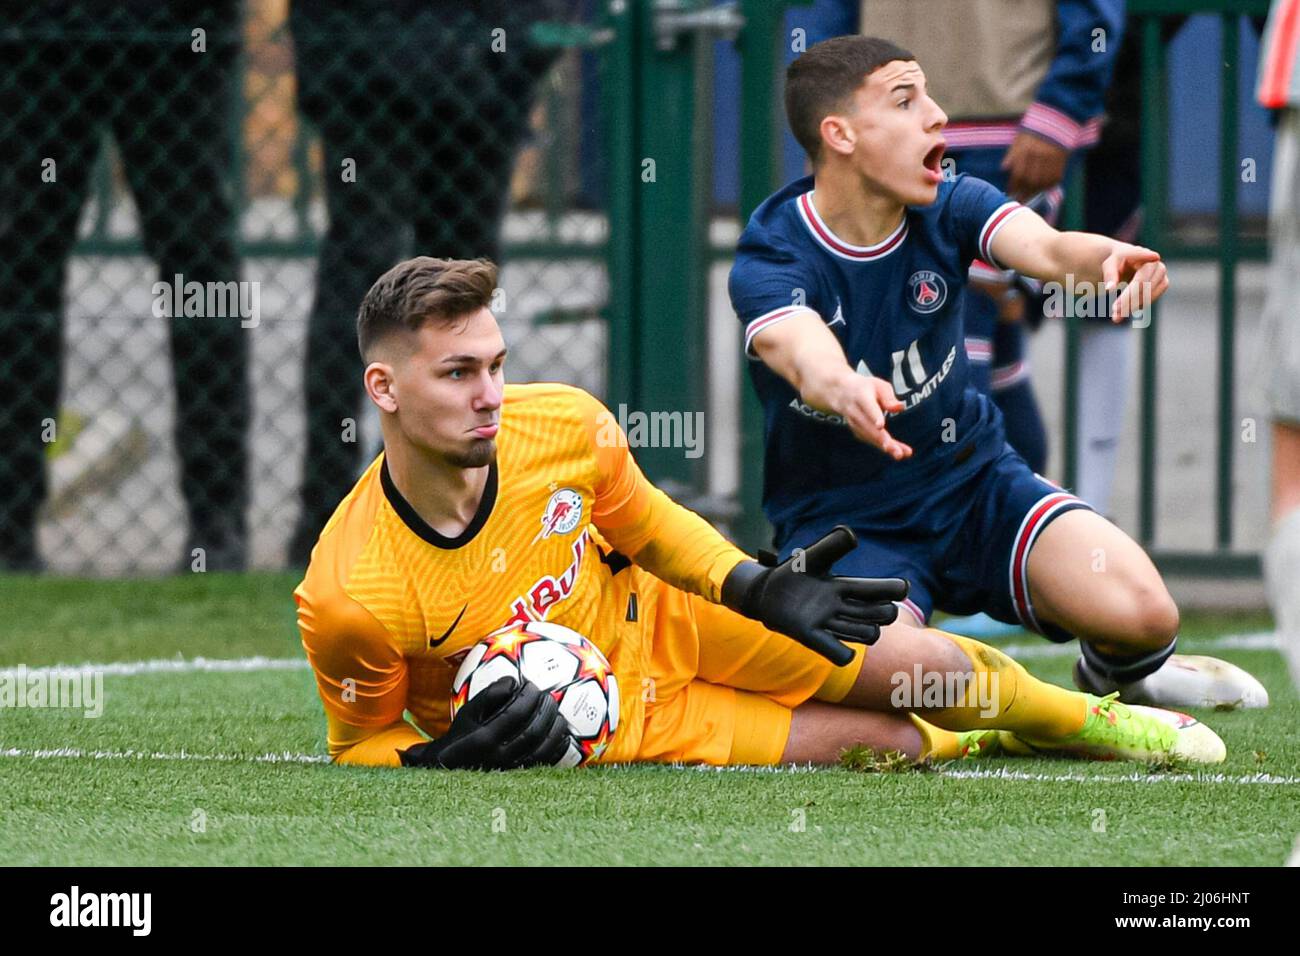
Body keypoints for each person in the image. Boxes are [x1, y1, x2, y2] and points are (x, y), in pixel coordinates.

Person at [292, 255, 1224, 770]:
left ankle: (1083, 719)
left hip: (676, 620)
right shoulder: (350, 594)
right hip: (634, 730)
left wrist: (755, 586)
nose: (491, 393)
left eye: (495, 364)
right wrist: (440, 764)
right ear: (385, 388)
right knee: (896, 745)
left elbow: (650, 525)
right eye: (458, 373)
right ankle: (988, 730)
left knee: (926, 668)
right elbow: (363, 744)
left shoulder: (565, 426)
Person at [727, 36, 1268, 710]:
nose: (937, 116)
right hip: (849, 524)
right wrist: (843, 386)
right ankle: (1028, 704)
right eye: (906, 100)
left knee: (1144, 612)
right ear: (839, 135)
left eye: (927, 94)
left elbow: (1042, 246)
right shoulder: (773, 251)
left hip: (974, 483)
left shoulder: (948, 202)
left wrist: (1106, 258)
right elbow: (796, 349)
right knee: (914, 675)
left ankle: (1117, 675)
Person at [285, 0, 573, 566]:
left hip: (479, 77)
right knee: (361, 283)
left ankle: (424, 504)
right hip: (368, 73)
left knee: (460, 295)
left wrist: (517, 54)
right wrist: (332, 67)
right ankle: (331, 512)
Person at [0, 0, 249, 570]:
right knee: (20, 267)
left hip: (176, 35)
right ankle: (9, 524)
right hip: (39, 34)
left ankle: (217, 523)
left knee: (201, 274)